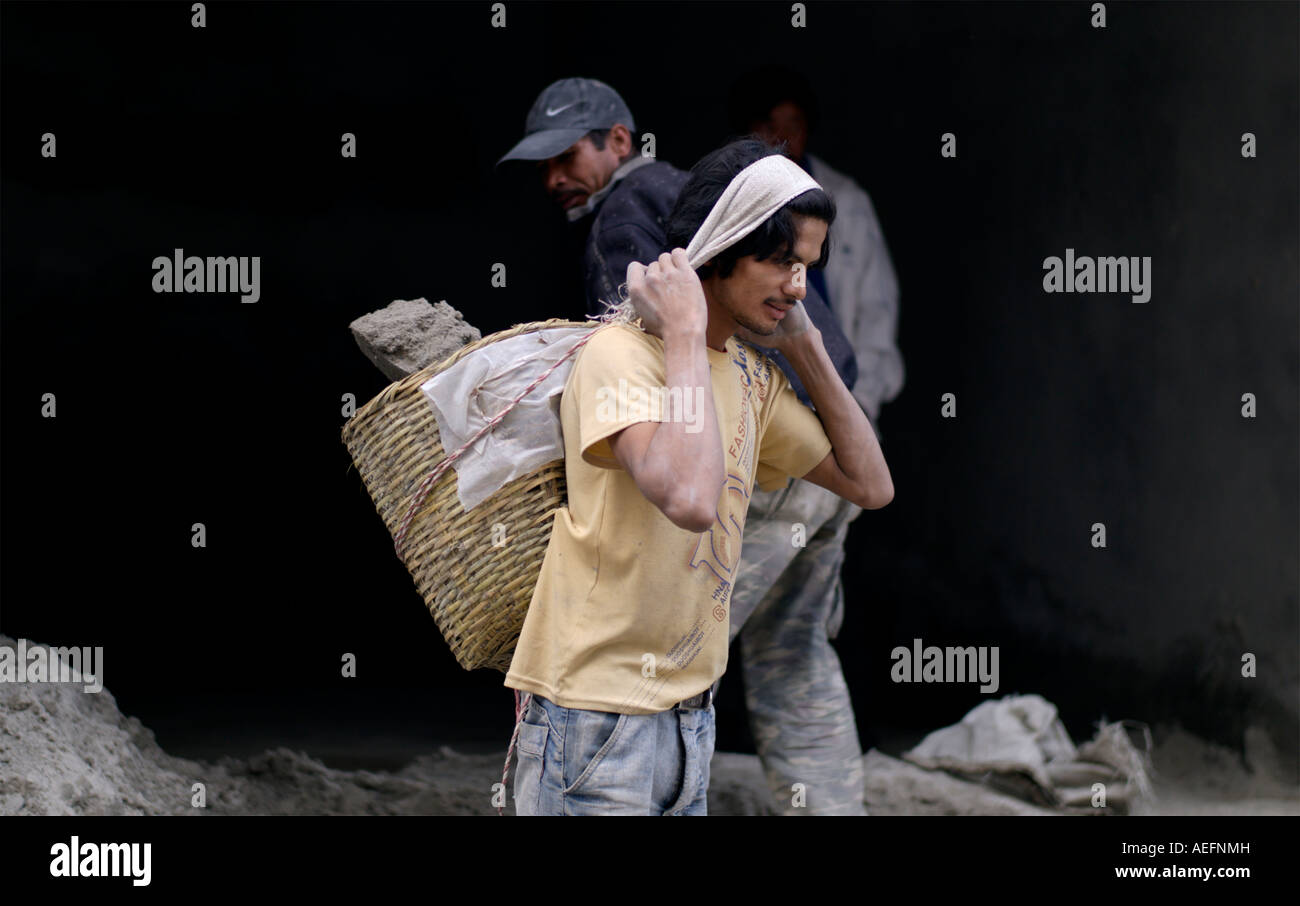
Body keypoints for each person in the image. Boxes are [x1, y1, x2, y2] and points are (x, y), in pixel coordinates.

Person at [505, 139, 893, 815]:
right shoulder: (620, 356)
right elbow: (688, 498)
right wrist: (685, 333)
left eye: (807, 267)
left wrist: (805, 344)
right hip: (596, 719)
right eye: (781, 262)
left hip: (689, 724)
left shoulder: (750, 376)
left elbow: (871, 485)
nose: (799, 286)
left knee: (795, 649)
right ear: (720, 248)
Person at [709, 65, 905, 815]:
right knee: (792, 648)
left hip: (808, 461)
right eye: (764, 132)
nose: (778, 144)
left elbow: (876, 335)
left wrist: (847, 423)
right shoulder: (739, 206)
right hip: (804, 457)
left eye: (789, 131)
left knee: (684, 639)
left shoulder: (838, 207)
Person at [496, 77, 689, 318]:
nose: (552, 180)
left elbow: (631, 343)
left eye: (567, 157)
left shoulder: (617, 219)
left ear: (619, 141)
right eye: (543, 168)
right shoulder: (683, 183)